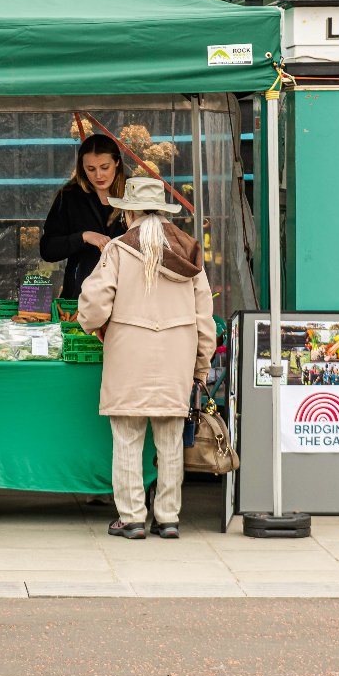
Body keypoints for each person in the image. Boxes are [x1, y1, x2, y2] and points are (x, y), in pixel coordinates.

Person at [75, 176, 217, 541]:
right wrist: (200, 367)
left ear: (131, 212)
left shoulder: (119, 250)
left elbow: (93, 307)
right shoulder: (191, 254)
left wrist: (92, 325)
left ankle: (132, 518)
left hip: (129, 355)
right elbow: (205, 320)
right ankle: (168, 518)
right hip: (176, 357)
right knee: (170, 441)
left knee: (127, 439)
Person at [41, 134, 128, 299]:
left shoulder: (134, 194)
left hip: (126, 296)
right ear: (82, 167)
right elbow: (48, 249)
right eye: (91, 169)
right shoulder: (69, 197)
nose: (98, 175)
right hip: (80, 297)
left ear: (117, 163)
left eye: (104, 167)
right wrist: (83, 237)